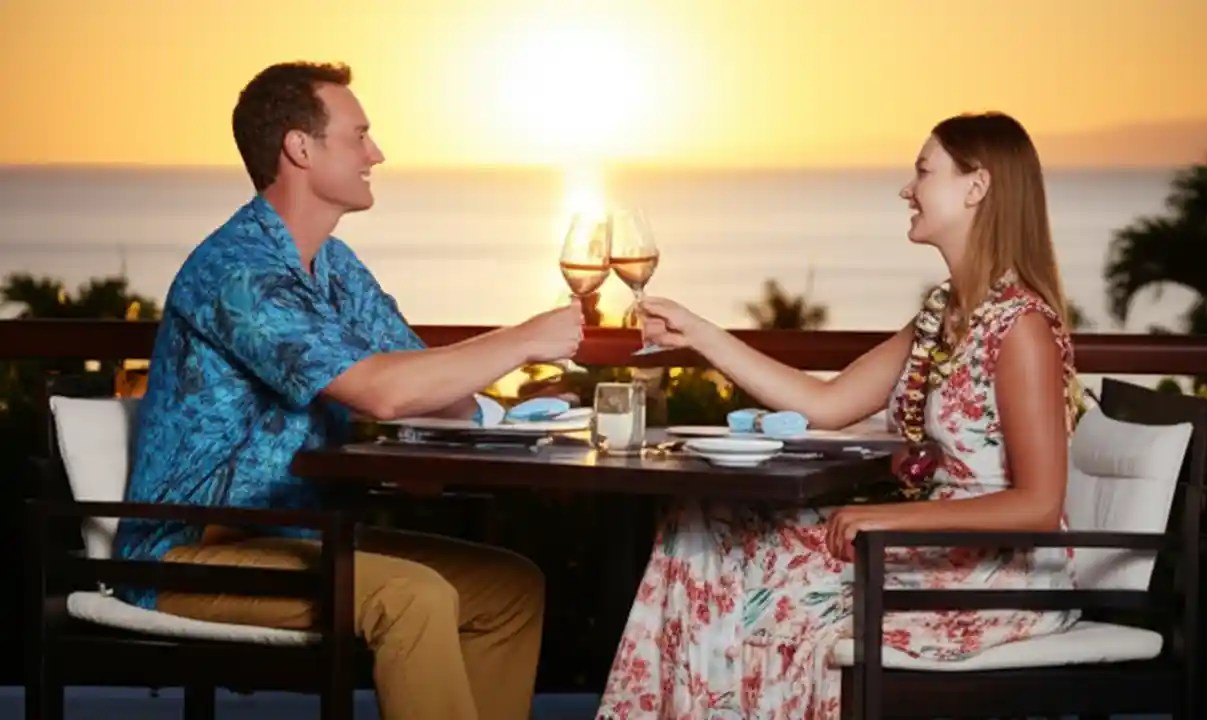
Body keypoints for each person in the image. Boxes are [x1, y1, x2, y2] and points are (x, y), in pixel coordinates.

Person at [113, 61, 583, 720]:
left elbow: (417, 378)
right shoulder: (238, 272)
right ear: (300, 148)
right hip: (190, 556)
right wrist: (524, 338)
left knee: (507, 588)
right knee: (413, 597)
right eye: (359, 135)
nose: (377, 153)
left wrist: (515, 415)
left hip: (303, 537)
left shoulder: (335, 268)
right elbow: (380, 393)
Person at [596, 112, 1082, 719]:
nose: (908, 189)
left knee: (775, 603)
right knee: (701, 526)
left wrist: (884, 520)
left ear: (976, 187)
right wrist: (698, 333)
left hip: (995, 580)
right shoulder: (948, 313)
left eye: (923, 172)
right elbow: (825, 403)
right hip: (933, 553)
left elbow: (1038, 504)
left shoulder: (1021, 329)